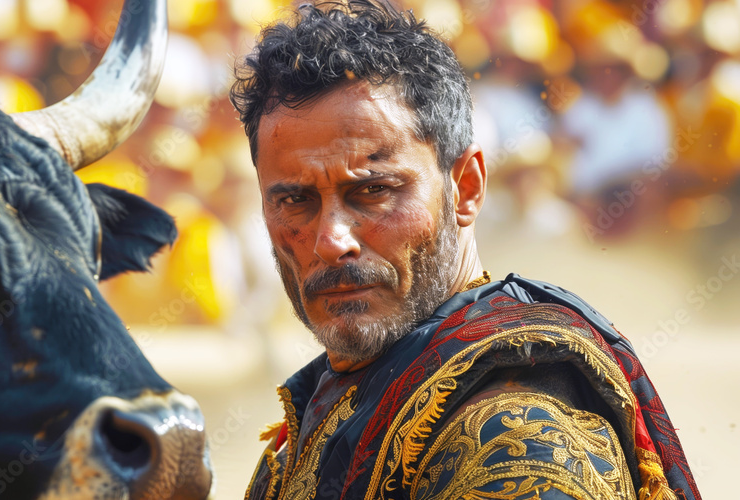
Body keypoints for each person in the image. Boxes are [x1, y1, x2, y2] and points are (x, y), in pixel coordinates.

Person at [228, 1, 701, 499]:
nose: (332, 241)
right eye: (294, 200)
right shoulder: (324, 404)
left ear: (467, 188)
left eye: (373, 191)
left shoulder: (517, 432)